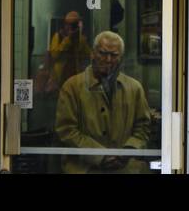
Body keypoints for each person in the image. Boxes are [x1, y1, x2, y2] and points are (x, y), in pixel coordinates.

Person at [54, 30, 152, 174]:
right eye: (102, 53)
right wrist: (101, 156)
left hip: (125, 169)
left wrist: (127, 152)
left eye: (114, 55)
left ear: (121, 58)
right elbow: (67, 130)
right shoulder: (72, 86)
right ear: (92, 54)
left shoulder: (134, 88)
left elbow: (143, 127)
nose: (108, 60)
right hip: (84, 169)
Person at [39, 11, 92, 95]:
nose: (69, 27)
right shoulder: (58, 37)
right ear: (64, 24)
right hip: (59, 79)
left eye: (73, 25)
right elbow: (55, 55)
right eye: (68, 24)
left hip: (75, 77)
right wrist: (67, 40)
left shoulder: (80, 39)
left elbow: (88, 55)